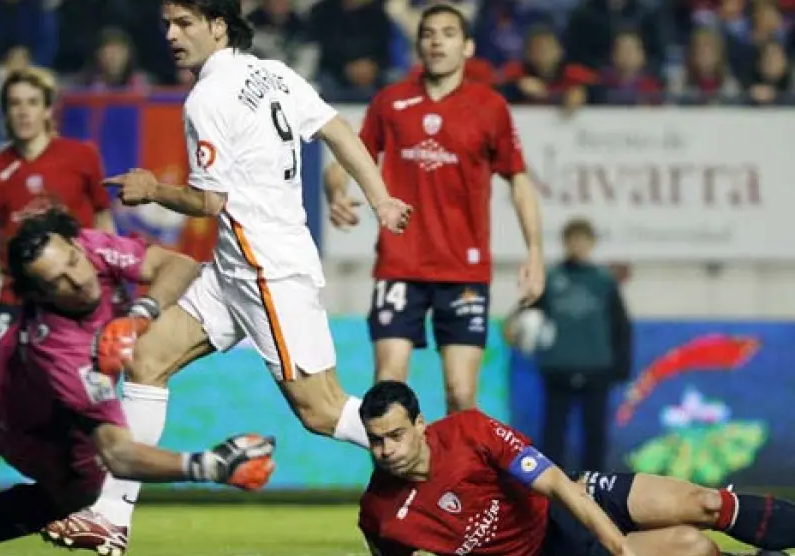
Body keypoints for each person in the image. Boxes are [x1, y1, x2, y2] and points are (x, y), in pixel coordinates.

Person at [40, 0, 413, 552]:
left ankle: (445, 463)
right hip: (234, 269)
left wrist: (153, 188)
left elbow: (210, 201)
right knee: (145, 360)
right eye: (167, 22)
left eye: (184, 23)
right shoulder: (274, 72)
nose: (171, 34)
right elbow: (337, 129)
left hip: (267, 270)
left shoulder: (208, 99)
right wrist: (379, 198)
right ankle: (111, 519)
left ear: (218, 26)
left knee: (322, 410)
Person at [0, 208, 276, 556]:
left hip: (9, 390)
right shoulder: (64, 351)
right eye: (58, 282)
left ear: (75, 244)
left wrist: (140, 313)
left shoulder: (91, 249)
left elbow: (178, 263)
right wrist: (209, 466)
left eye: (73, 261)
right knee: (77, 492)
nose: (80, 280)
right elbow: (120, 456)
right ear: (39, 295)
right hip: (26, 423)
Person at [322, 3, 544, 414]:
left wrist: (535, 254)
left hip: (463, 270)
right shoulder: (390, 103)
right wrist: (334, 191)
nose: (437, 40)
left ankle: (455, 481)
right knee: (388, 388)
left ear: (468, 46)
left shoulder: (490, 107)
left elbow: (519, 181)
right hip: (399, 266)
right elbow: (345, 160)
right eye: (428, 34)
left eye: (448, 33)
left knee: (461, 396)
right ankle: (393, 480)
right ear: (418, 45)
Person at [357, 380, 794, 556]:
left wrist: (618, 550)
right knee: (693, 547)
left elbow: (557, 486)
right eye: (375, 440)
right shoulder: (380, 515)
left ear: (419, 424)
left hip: (572, 501)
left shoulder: (469, 430)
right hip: (551, 554)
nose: (386, 450)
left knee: (703, 502)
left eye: (395, 435)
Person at [0, 66, 116, 502]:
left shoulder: (81, 158)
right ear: (6, 112)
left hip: (73, 303)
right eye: (14, 104)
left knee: (81, 395)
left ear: (47, 109)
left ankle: (93, 489)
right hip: (16, 303)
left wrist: (111, 273)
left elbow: (101, 220)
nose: (22, 112)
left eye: (31, 103)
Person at [507, 217, 632, 472]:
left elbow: (621, 326)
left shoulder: (604, 281)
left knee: (595, 431)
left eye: (583, 240)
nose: (578, 246)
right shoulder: (551, 278)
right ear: (565, 243)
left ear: (592, 244)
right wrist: (516, 326)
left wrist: (622, 365)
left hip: (596, 367)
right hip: (558, 367)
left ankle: (595, 485)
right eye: (573, 240)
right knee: (554, 431)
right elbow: (521, 315)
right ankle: (552, 487)